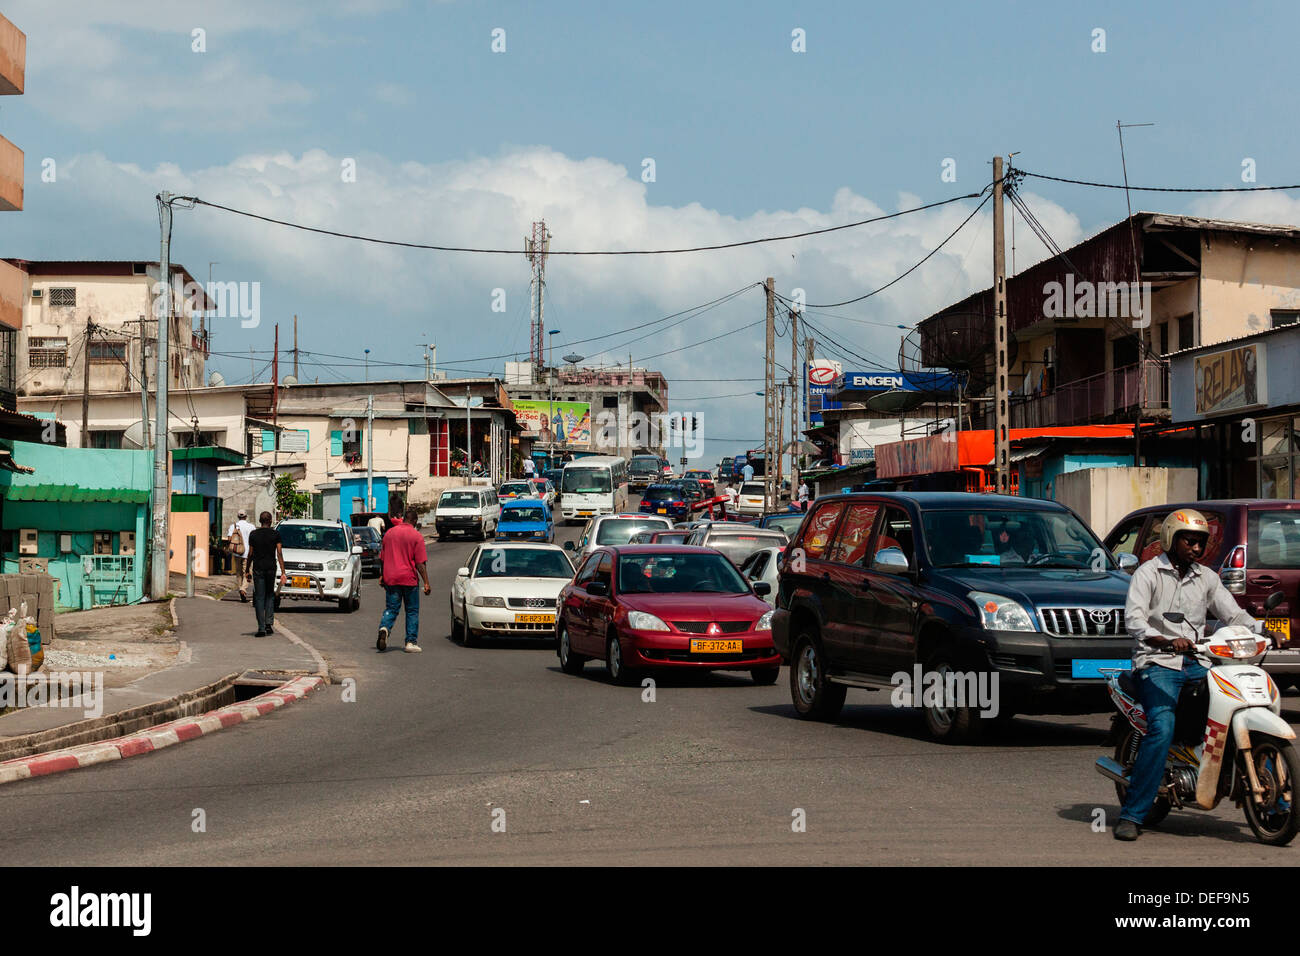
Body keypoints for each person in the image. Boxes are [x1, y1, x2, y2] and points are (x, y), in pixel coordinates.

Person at [1114, 509, 1265, 842]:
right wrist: (1166, 640)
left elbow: (1234, 613)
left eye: (1200, 542)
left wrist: (1263, 630)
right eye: (1189, 540)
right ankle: (1132, 814)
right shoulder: (1147, 574)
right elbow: (1135, 622)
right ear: (1170, 538)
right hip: (1156, 663)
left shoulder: (1207, 578)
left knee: (1236, 704)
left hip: (1197, 661)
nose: (1196, 548)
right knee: (1162, 727)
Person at [376, 506, 432, 653]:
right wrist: (426, 582)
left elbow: (382, 558)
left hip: (391, 578)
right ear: (414, 521)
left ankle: (384, 628)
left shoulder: (389, 533)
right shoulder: (416, 536)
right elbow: (420, 563)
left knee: (391, 608)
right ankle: (410, 642)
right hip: (409, 579)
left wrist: (382, 575)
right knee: (412, 611)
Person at [244, 511, 286, 637]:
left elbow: (250, 553)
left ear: (260, 521)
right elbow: (279, 553)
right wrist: (283, 571)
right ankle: (269, 624)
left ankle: (261, 628)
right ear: (271, 521)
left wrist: (247, 570)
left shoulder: (254, 534)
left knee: (259, 597)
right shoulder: (276, 534)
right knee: (270, 596)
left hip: (258, 569)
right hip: (271, 568)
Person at [226, 510, 256, 602]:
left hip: (237, 552)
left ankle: (240, 589)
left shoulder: (233, 526)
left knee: (239, 573)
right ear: (246, 517)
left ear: (238, 516)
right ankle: (243, 588)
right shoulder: (251, 527)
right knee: (247, 572)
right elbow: (254, 540)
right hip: (248, 554)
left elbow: (229, 539)